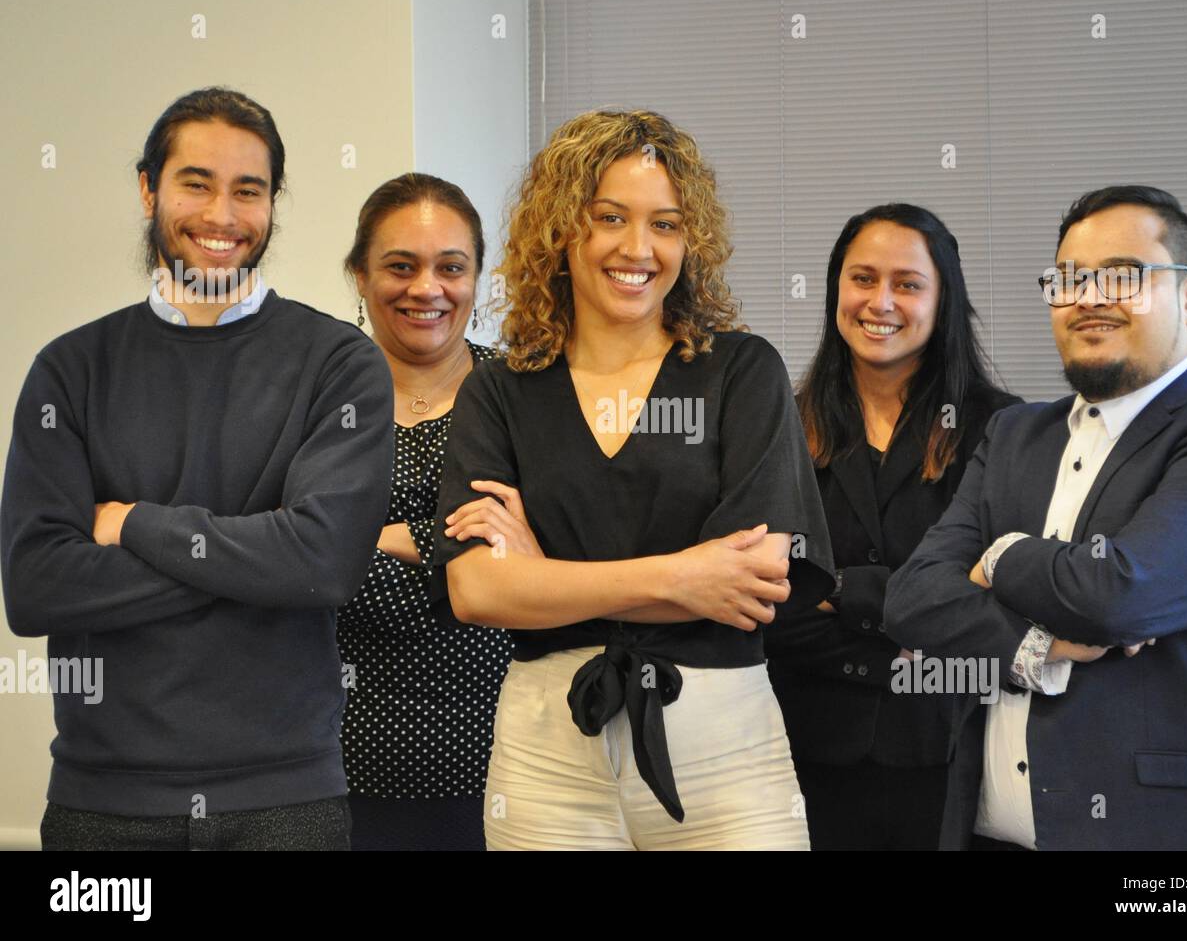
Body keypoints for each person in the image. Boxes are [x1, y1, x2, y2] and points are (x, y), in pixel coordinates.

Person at [0, 87, 394, 850]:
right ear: (149, 189)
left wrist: (133, 524)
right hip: (103, 804)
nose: (222, 215)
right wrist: (257, 554)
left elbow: (324, 565)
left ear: (273, 204)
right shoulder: (71, 371)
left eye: (248, 190)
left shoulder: (339, 365)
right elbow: (38, 585)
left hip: (288, 801)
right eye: (196, 183)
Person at [432, 108, 835, 850]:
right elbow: (477, 589)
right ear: (561, 229)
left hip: (724, 747)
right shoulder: (501, 391)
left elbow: (753, 578)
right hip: (546, 749)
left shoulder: (742, 372)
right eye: (609, 217)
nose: (638, 248)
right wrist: (683, 575)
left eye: (667, 224)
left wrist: (545, 577)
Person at [885, 185, 1187, 850]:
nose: (1088, 295)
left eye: (1122, 275)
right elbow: (912, 597)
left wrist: (1001, 556)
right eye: (1069, 278)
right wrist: (1036, 644)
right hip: (987, 835)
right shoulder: (1015, 433)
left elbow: (1121, 594)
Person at [765, 204, 1021, 850]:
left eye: (907, 283)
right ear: (835, 291)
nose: (880, 301)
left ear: (942, 300)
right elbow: (767, 602)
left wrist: (839, 588)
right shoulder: (780, 427)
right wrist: (917, 611)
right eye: (862, 278)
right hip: (803, 759)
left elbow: (999, 598)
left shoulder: (1003, 430)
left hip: (954, 756)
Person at [336, 173, 512, 850]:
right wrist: (454, 542)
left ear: (476, 277)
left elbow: (547, 550)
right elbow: (292, 559)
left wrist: (384, 537)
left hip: (506, 767)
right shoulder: (314, 405)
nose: (426, 288)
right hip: (337, 771)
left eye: (451, 267)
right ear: (359, 273)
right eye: (400, 266)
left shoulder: (521, 396)